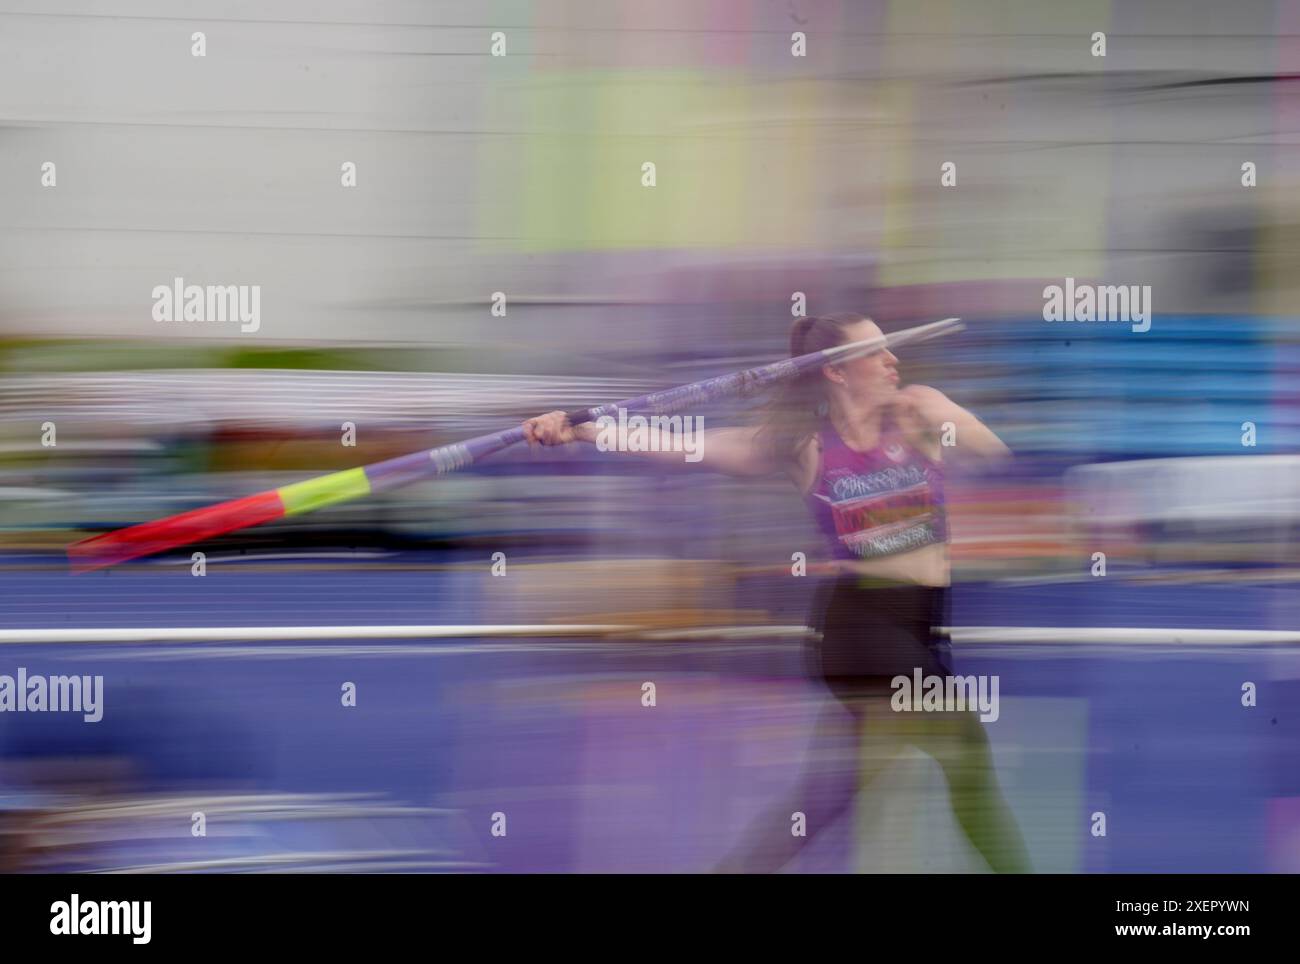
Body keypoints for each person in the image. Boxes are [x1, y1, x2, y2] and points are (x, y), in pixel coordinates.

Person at [522, 312, 1031, 873]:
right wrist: (581, 428)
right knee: (965, 753)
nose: (894, 361)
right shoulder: (804, 446)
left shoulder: (920, 414)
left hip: (923, 629)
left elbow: (998, 454)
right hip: (859, 632)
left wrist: (945, 413)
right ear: (836, 373)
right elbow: (685, 445)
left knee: (827, 800)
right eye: (877, 352)